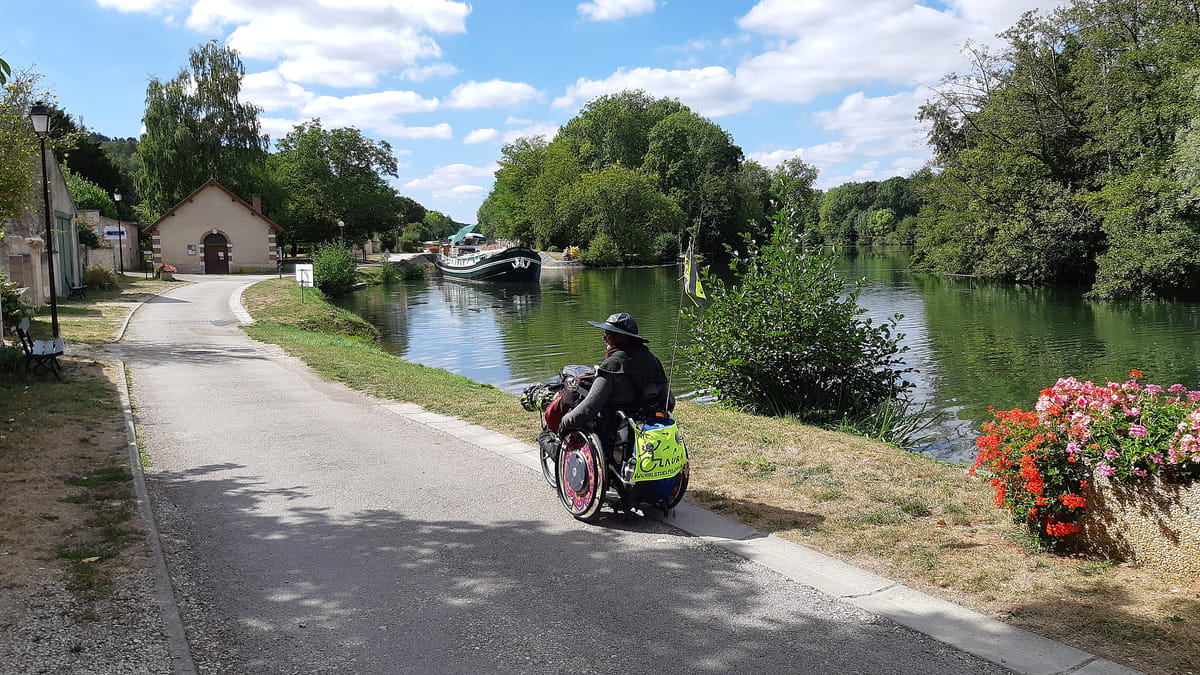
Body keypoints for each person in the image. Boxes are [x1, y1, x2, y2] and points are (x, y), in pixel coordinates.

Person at [559, 312, 674, 435]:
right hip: (646, 429)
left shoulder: (612, 365)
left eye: (607, 334)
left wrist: (565, 422)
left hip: (613, 430)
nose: (603, 338)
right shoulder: (653, 361)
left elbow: (589, 408)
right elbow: (670, 401)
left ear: (620, 337)